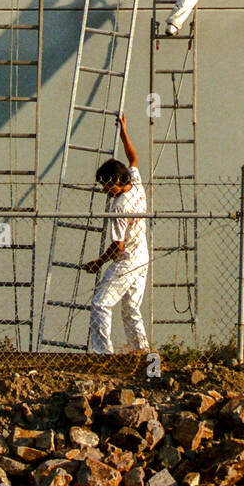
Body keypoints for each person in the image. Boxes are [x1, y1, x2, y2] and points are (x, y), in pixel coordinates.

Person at [83, 113, 149, 355]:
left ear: (115, 182)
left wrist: (98, 263)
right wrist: (124, 134)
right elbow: (133, 158)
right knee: (131, 308)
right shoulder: (136, 183)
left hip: (127, 259)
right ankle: (141, 352)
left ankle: (103, 354)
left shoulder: (120, 206)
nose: (104, 190)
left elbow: (117, 247)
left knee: (101, 304)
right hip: (143, 257)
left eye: (105, 185)